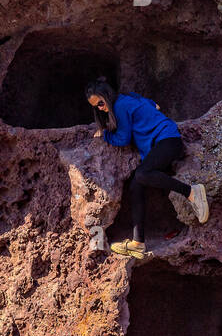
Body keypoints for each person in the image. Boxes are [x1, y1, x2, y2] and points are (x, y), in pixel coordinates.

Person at [86, 77, 208, 260]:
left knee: (142, 174)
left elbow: (123, 139)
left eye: (101, 103)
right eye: (96, 107)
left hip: (168, 141)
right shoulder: (130, 98)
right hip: (161, 144)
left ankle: (191, 192)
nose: (100, 109)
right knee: (136, 185)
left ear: (108, 96)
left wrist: (104, 135)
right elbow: (153, 104)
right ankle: (138, 243)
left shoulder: (120, 106)